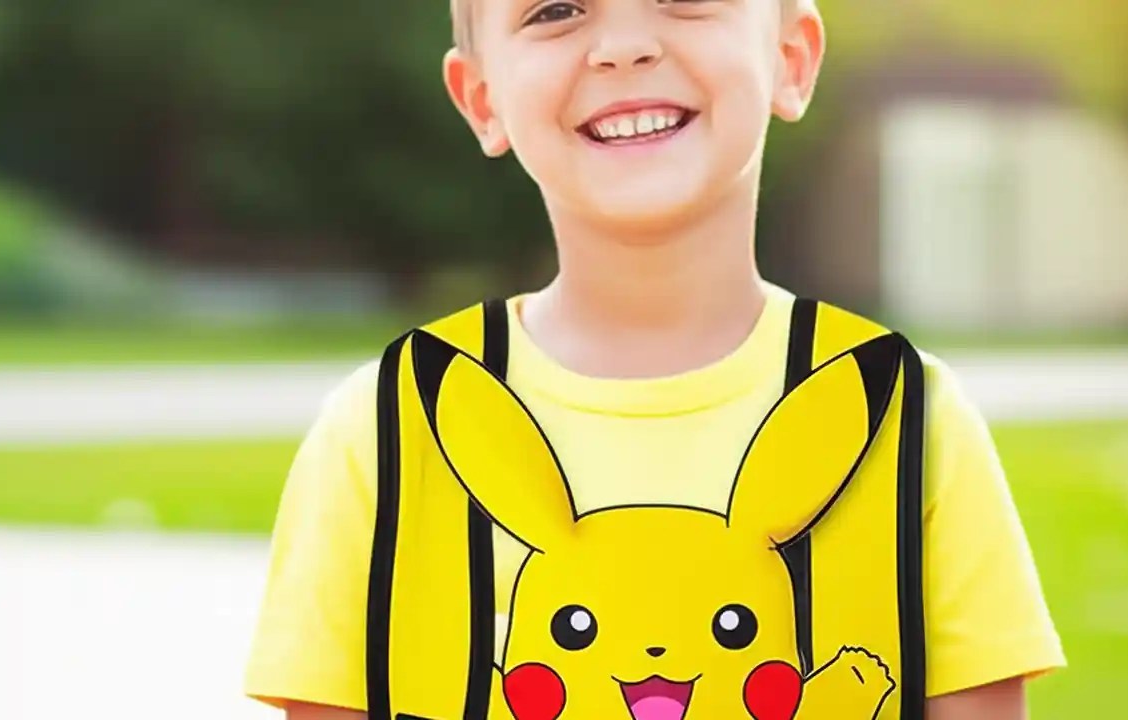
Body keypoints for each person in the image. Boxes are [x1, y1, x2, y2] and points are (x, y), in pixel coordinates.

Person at [243, 0, 1066, 718]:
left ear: (790, 60)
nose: (623, 46)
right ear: (483, 99)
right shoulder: (391, 428)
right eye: (557, 8)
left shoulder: (904, 417)